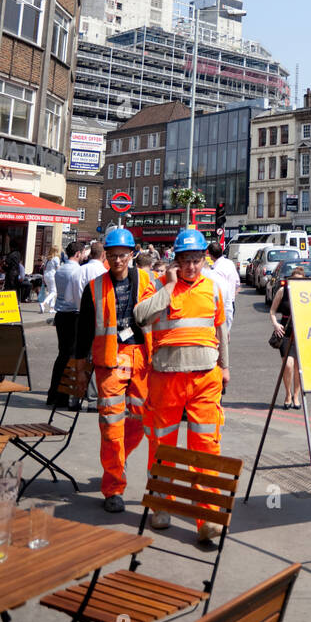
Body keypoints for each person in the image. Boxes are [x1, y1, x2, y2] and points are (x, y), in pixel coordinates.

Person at [133, 227, 229, 542]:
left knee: (206, 447)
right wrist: (169, 286)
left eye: (196, 260)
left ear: (204, 260)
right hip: (166, 376)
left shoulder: (213, 289)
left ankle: (207, 517)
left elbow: (221, 330)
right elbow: (140, 315)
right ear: (176, 261)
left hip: (204, 377)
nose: (191, 266)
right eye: (185, 260)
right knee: (162, 447)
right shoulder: (159, 286)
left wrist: (225, 367)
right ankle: (162, 507)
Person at [73, 228, 155, 512]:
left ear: (131, 255)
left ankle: (120, 458)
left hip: (140, 358)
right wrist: (81, 368)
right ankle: (113, 488)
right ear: (105, 256)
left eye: (122, 255)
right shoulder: (94, 287)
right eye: (112, 255)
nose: (117, 260)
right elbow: (83, 332)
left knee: (139, 420)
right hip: (109, 360)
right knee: (110, 425)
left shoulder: (147, 282)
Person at [46, 242, 85, 406]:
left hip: (60, 314)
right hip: (73, 314)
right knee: (71, 355)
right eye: (82, 253)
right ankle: (63, 395)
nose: (84, 256)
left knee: (62, 354)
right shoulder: (77, 270)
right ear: (77, 254)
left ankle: (53, 393)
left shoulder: (60, 269)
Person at [269, 265, 304, 409]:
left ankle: (296, 396)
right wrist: (276, 324)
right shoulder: (283, 292)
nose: (296, 283)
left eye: (300, 281)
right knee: (288, 365)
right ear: (290, 280)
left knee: (297, 367)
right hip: (285, 332)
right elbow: (272, 311)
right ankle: (288, 393)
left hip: (301, 333)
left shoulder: (306, 294)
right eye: (294, 280)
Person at [206, 240, 240, 334]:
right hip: (231, 303)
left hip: (221, 305)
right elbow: (237, 283)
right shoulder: (230, 263)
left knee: (218, 335)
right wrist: (232, 296)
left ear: (210, 255)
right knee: (225, 334)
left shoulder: (216, 270)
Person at [40, 245, 61, 319]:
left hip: (46, 275)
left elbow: (44, 268)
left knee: (51, 291)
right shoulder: (56, 258)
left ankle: (52, 308)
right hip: (53, 275)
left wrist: (43, 277)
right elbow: (58, 268)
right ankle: (43, 303)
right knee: (54, 292)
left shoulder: (47, 259)